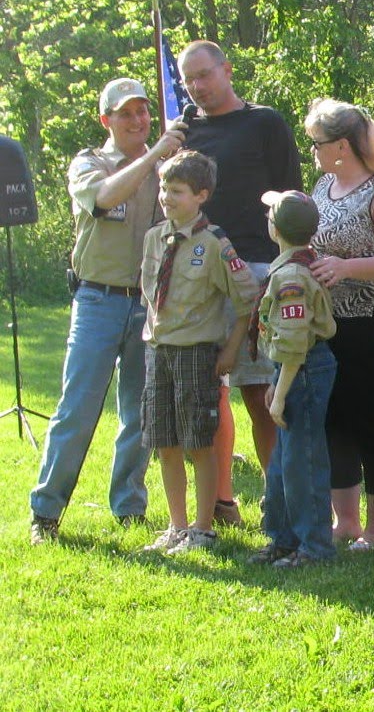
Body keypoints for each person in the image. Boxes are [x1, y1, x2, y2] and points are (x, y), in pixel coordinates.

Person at [29, 79, 186, 544]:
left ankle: (129, 507)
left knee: (140, 411)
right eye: (126, 114)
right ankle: (46, 511)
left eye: (143, 112)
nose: (138, 121)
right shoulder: (89, 163)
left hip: (147, 303)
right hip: (96, 300)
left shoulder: (164, 168)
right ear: (106, 121)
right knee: (77, 409)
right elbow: (104, 199)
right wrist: (154, 154)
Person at [179, 39, 303, 524]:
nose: (197, 86)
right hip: (198, 273)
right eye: (190, 79)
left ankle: (281, 502)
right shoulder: (184, 130)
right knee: (208, 391)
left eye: (204, 75)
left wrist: (285, 264)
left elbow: (290, 196)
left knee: (260, 393)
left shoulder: (264, 122)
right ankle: (221, 501)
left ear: (227, 70)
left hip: (253, 268)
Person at [305, 98, 374, 548]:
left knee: (370, 420)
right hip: (324, 323)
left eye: (318, 143)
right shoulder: (321, 186)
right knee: (333, 422)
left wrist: (346, 268)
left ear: (343, 146)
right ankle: (345, 522)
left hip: (366, 322)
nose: (312, 150)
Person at [138, 150, 259, 554]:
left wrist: (231, 349)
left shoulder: (213, 245)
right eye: (162, 189)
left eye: (177, 191)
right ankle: (177, 526)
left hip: (196, 353)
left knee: (198, 442)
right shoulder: (155, 237)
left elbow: (246, 298)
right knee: (166, 442)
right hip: (159, 349)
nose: (166, 198)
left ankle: (203, 527)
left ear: (201, 195)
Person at [249, 190, 338, 568]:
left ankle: (315, 545)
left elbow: (295, 342)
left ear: (275, 227)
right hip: (290, 369)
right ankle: (283, 538)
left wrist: (281, 394)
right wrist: (276, 383)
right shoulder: (292, 266)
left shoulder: (292, 277)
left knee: (303, 460)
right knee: (284, 461)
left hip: (303, 369)